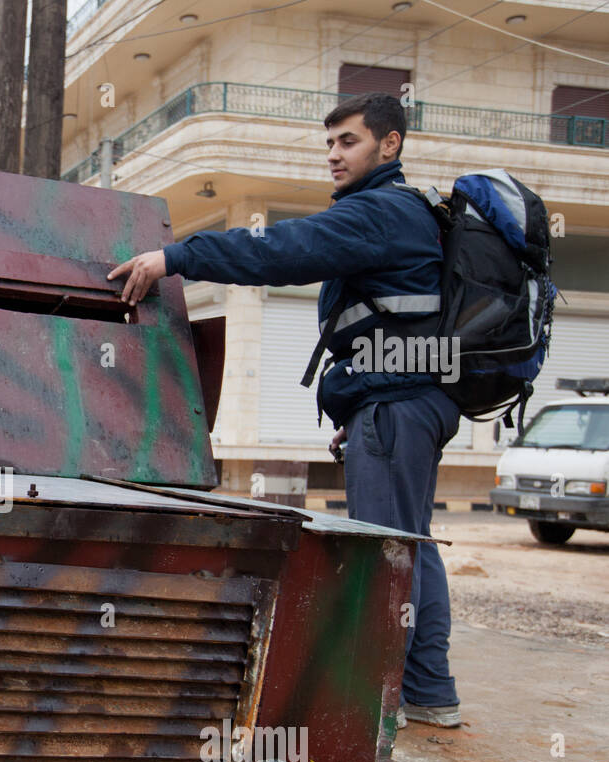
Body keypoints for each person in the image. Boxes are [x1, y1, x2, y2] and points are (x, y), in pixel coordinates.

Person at [107, 91, 461, 728]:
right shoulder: (407, 213)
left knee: (386, 551)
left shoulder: (379, 212)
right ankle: (429, 690)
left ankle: (378, 708)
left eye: (347, 141)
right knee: (411, 543)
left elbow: (279, 250)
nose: (333, 154)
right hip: (410, 401)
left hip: (397, 405)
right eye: (328, 143)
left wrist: (177, 257)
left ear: (390, 145)